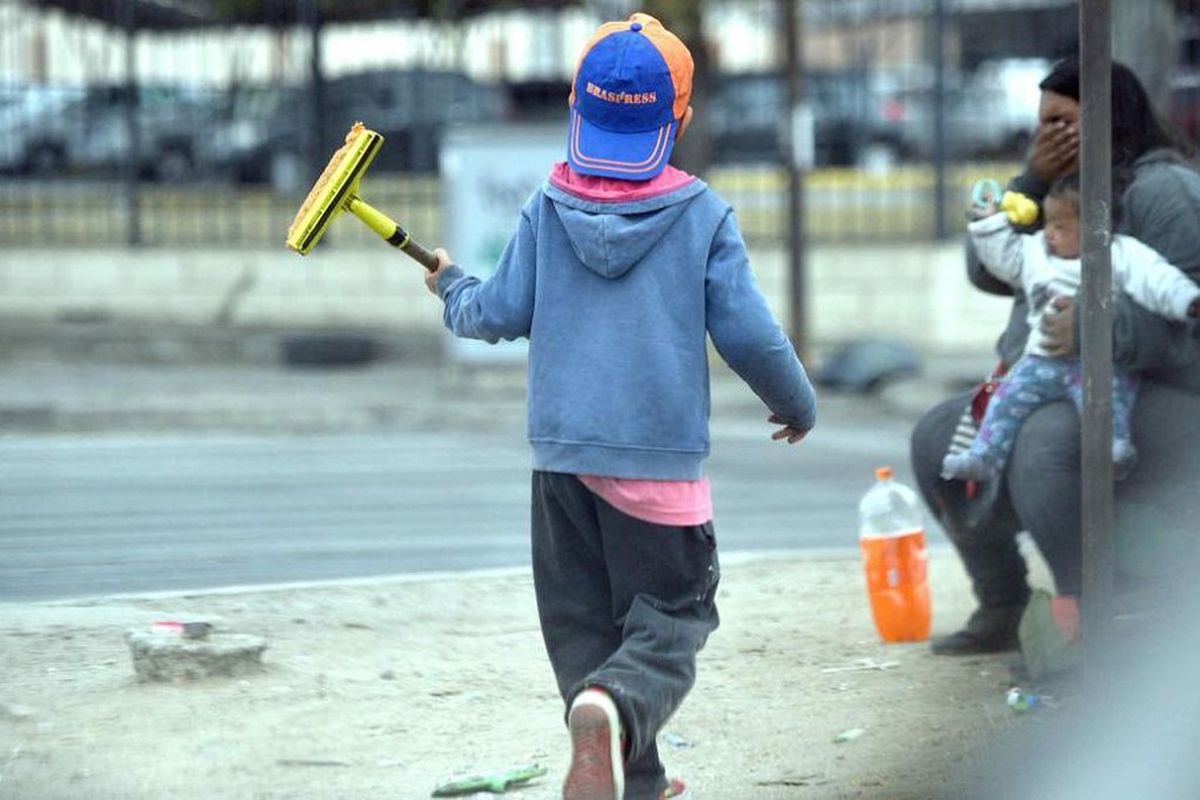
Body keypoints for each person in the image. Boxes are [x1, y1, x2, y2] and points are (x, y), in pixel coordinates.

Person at [422, 13, 817, 800]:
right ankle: (615, 719)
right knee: (669, 622)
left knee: (584, 632)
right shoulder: (701, 214)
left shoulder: (546, 204)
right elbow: (749, 333)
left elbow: (496, 312)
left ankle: (632, 773)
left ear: (578, 107)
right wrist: (795, 401)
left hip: (561, 465)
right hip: (656, 474)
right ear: (680, 120)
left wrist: (451, 287)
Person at [910, 54, 1200, 656]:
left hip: (1157, 391)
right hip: (1051, 376)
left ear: (1111, 120)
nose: (1049, 138)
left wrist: (1099, 327)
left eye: (1064, 123)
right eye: (1041, 124)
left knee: (1043, 447)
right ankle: (1003, 604)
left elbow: (1190, 319)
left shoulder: (1163, 191)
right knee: (939, 439)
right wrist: (1030, 182)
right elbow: (986, 271)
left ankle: (1088, 623)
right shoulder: (1058, 194)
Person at [941, 174, 1200, 484]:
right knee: (1006, 398)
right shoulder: (1036, 252)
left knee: (1107, 399)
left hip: (1100, 362)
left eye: (1060, 227)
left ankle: (1113, 448)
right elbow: (1003, 257)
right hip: (1042, 360)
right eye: (1048, 223)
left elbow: (1158, 280)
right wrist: (987, 224)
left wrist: (1187, 301)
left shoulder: (1121, 254)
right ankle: (985, 457)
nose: (1049, 233)